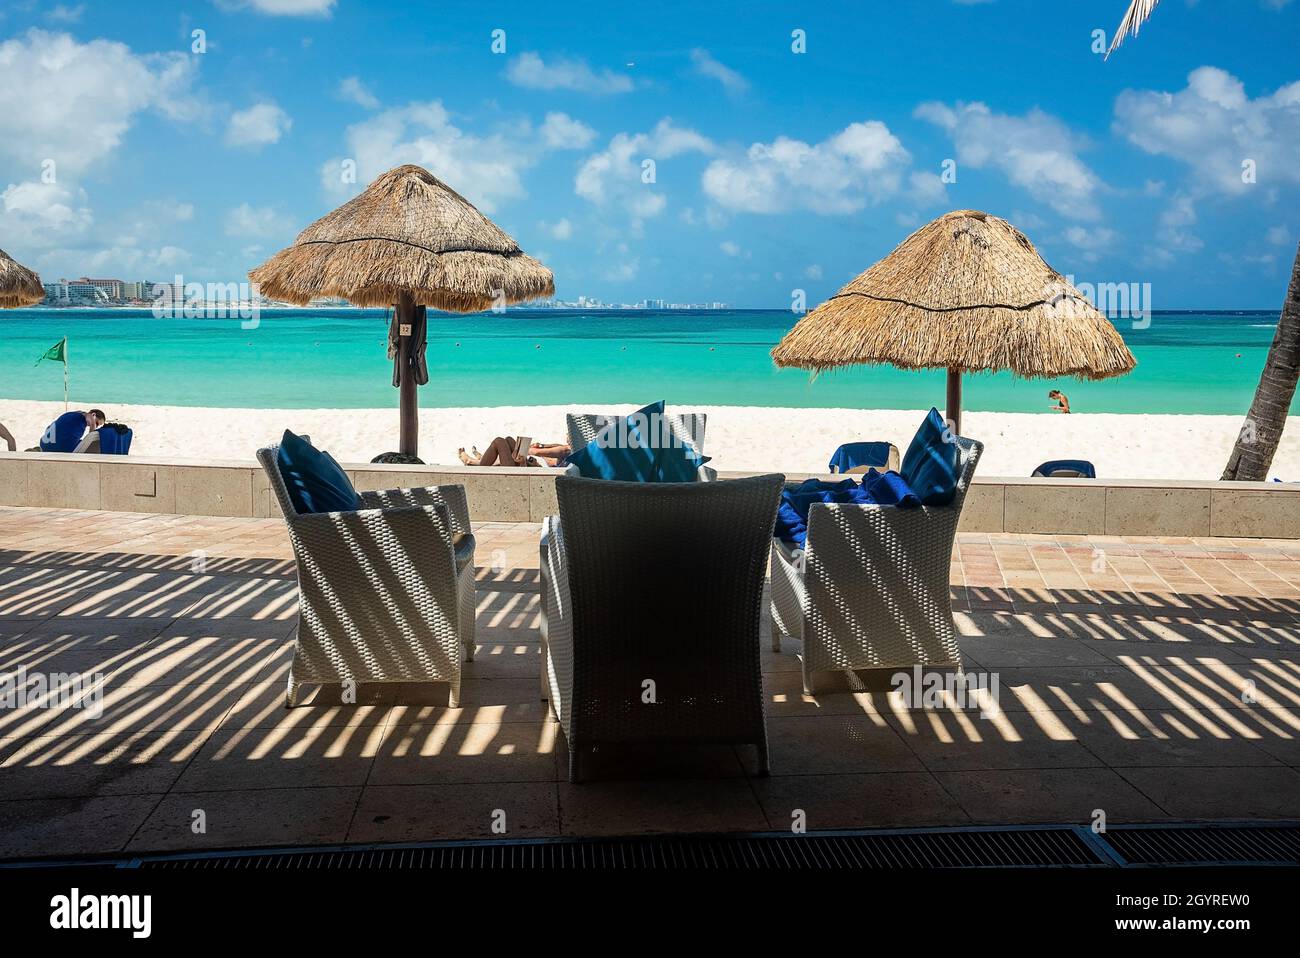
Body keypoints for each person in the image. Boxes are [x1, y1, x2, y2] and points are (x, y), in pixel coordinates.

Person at [459, 438, 571, 468]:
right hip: (526, 462)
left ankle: (475, 464)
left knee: (499, 441)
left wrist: (524, 461)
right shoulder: (568, 451)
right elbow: (557, 447)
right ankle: (477, 461)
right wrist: (541, 445)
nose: (567, 436)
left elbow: (538, 469)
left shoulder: (568, 450)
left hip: (526, 467)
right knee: (508, 439)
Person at [38, 408, 106, 453]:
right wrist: (93, 426)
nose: (96, 426)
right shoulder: (84, 417)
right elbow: (90, 418)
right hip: (58, 450)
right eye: (97, 423)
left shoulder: (71, 414)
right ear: (93, 415)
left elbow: (48, 428)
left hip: (44, 445)